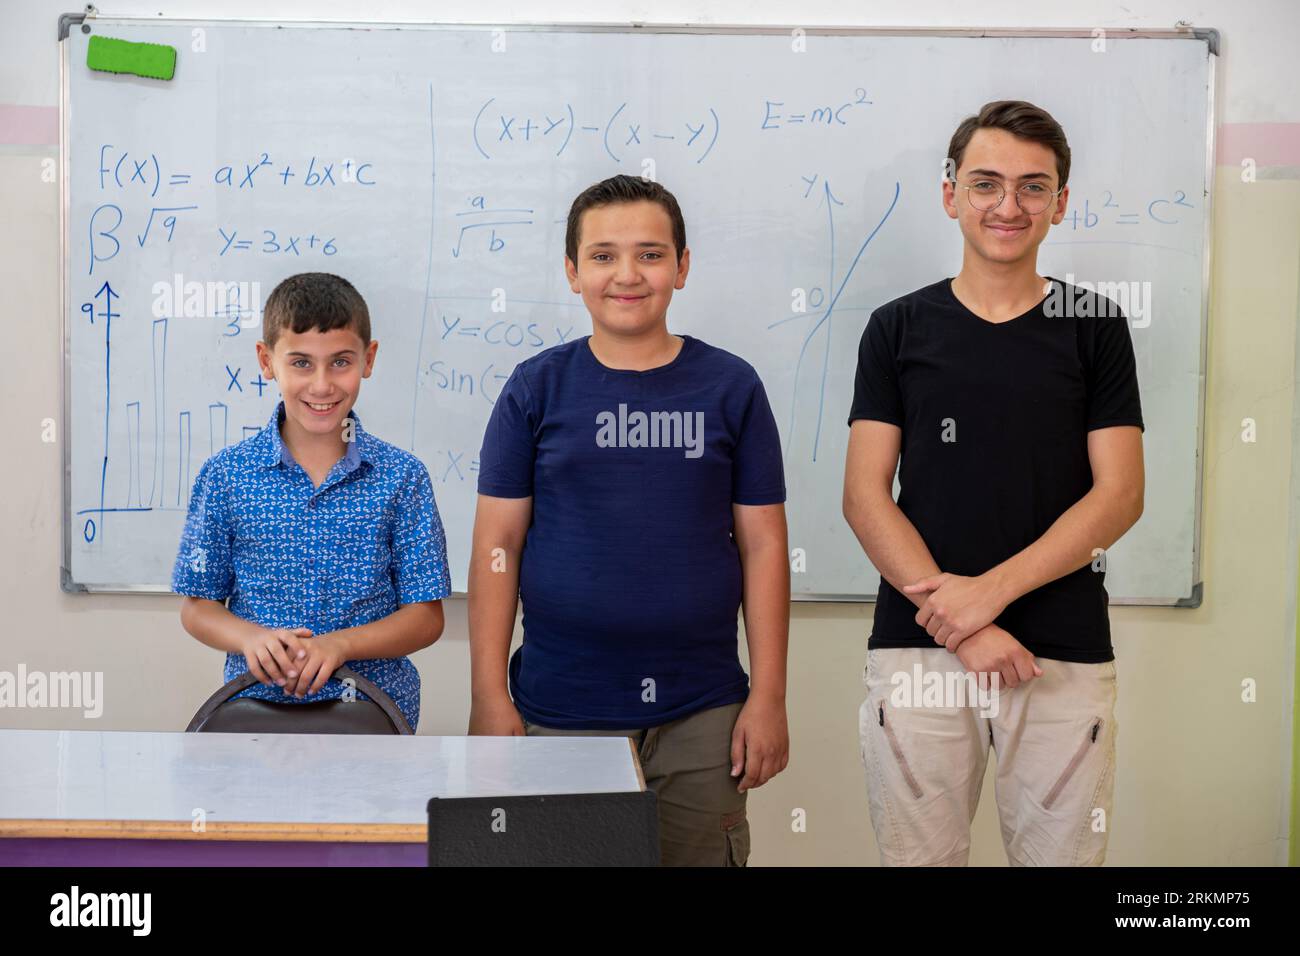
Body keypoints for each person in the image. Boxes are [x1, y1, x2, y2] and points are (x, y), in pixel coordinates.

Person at [843, 101, 1145, 865]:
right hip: (919, 653)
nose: (1008, 206)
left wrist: (991, 594)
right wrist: (965, 623)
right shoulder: (897, 328)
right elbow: (864, 496)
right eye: (986, 184)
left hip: (1062, 657)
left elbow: (1120, 496)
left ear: (1060, 202)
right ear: (951, 195)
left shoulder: (1095, 325)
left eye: (1032, 187)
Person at [467, 175, 790, 866]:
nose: (627, 274)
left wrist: (768, 696)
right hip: (559, 712)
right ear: (573, 271)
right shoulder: (535, 388)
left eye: (649, 254)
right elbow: (498, 545)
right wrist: (490, 695)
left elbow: (764, 548)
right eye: (604, 255)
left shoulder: (732, 387)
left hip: (703, 713)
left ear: (681, 265)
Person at [172, 272, 451, 732]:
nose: (321, 386)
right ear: (266, 361)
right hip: (251, 717)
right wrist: (252, 638)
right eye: (301, 363)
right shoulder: (225, 476)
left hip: (376, 717)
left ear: (369, 359)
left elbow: (426, 617)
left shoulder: (403, 478)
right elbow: (197, 607)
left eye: (340, 362)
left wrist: (339, 645)